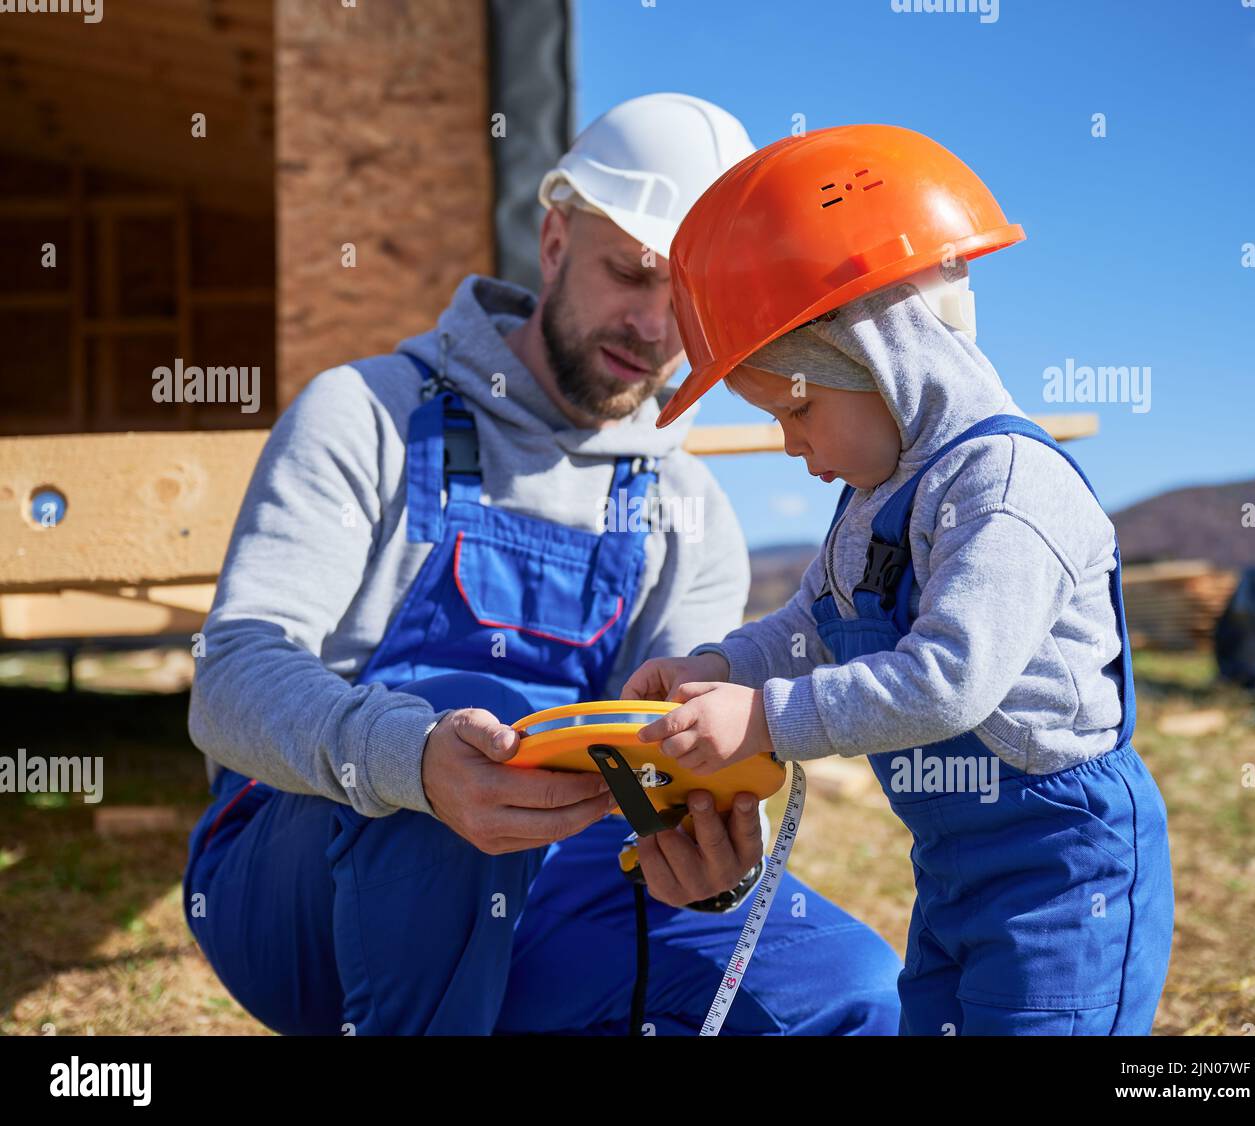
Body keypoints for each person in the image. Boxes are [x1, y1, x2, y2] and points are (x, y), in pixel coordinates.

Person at [182, 95, 903, 1036]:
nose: (652, 328)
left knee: (844, 986)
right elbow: (228, 678)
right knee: (477, 723)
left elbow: (670, 753)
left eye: (682, 302)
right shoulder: (367, 413)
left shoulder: (689, 511)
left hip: (552, 892)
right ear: (555, 239)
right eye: (630, 274)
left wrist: (713, 855)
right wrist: (414, 761)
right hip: (301, 888)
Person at [626, 124, 1176, 1036]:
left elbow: (949, 680)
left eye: (798, 406)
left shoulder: (1004, 488)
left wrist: (765, 720)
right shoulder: (871, 500)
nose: (790, 442)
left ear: (888, 355)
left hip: (1062, 865)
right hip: (954, 862)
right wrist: (722, 669)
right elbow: (809, 625)